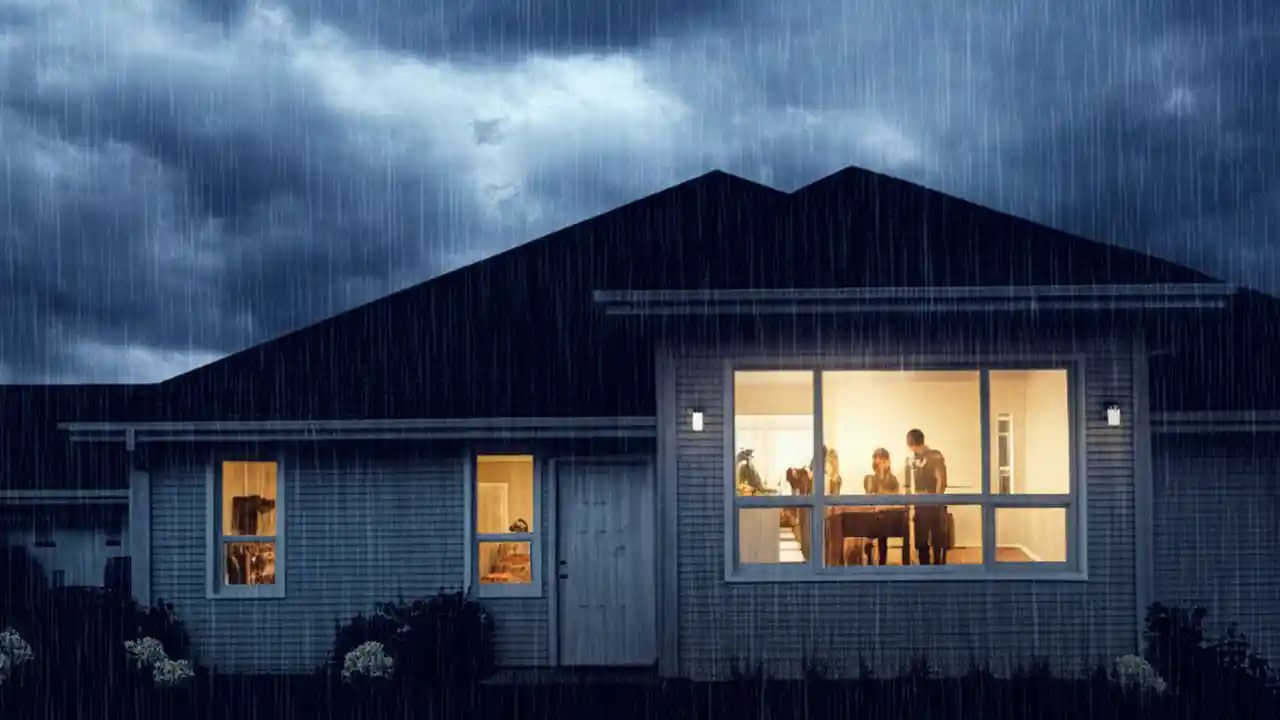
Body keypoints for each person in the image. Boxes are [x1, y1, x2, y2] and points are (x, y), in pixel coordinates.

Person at [906, 429, 948, 565]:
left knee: (936, 539)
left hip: (933, 503)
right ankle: (926, 567)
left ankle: (936, 568)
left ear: (911, 443)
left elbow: (941, 480)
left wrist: (936, 500)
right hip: (921, 503)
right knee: (921, 540)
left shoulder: (934, 456)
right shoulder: (913, 459)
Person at [862, 448, 900, 565]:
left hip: (887, 515)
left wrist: (883, 475)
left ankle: (882, 564)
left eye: (881, 458)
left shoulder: (893, 479)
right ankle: (869, 562)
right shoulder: (869, 478)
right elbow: (870, 495)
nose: (878, 461)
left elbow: (894, 497)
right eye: (876, 458)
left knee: (883, 533)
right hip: (872, 514)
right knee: (868, 529)